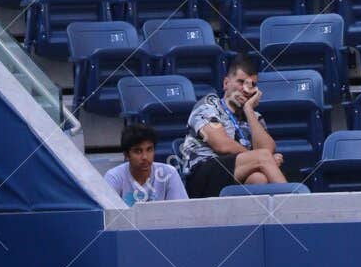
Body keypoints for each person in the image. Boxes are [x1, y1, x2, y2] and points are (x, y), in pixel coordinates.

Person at [178, 54, 288, 198]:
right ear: (225, 83)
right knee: (262, 158)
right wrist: (259, 157)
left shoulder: (254, 117)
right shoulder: (208, 105)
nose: (246, 89)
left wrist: (249, 110)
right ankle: (295, 206)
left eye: (252, 85)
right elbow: (222, 145)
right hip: (202, 175)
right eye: (241, 82)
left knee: (258, 179)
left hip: (234, 174)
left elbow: (267, 150)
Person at [103, 123, 188, 205]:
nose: (145, 157)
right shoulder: (114, 177)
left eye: (149, 149)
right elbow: (109, 216)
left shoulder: (169, 173)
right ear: (126, 155)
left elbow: (181, 212)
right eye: (138, 151)